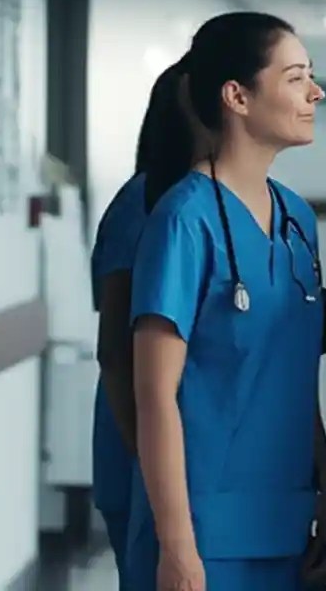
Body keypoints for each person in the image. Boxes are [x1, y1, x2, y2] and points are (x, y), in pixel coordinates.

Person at [127, 11, 326, 591]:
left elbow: (291, 375)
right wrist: (177, 549)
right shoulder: (184, 220)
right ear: (237, 96)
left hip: (285, 521)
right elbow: (153, 396)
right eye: (297, 77)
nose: (315, 92)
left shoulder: (297, 219)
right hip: (202, 532)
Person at [91, 59, 206, 587]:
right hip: (139, 434)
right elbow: (115, 350)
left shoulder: (228, 203)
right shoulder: (146, 203)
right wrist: (147, 460)